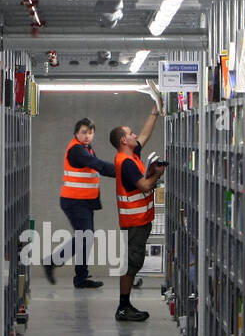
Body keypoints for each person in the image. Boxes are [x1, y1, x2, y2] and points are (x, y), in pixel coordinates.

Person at [43, 118, 117, 288]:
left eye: (90, 133)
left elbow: (95, 169)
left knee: (86, 238)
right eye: (83, 132)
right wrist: (123, 170)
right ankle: (52, 261)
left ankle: (81, 278)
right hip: (74, 201)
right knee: (86, 236)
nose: (87, 136)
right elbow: (97, 165)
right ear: (76, 133)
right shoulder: (77, 150)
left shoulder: (87, 149)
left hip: (84, 201)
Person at [110, 103, 166, 321]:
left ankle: (125, 306)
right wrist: (157, 174)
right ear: (124, 140)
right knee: (131, 264)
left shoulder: (131, 155)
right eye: (129, 133)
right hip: (134, 220)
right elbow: (144, 186)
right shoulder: (126, 163)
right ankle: (123, 308)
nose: (135, 134)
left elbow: (144, 134)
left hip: (139, 218)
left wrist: (154, 110)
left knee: (134, 262)